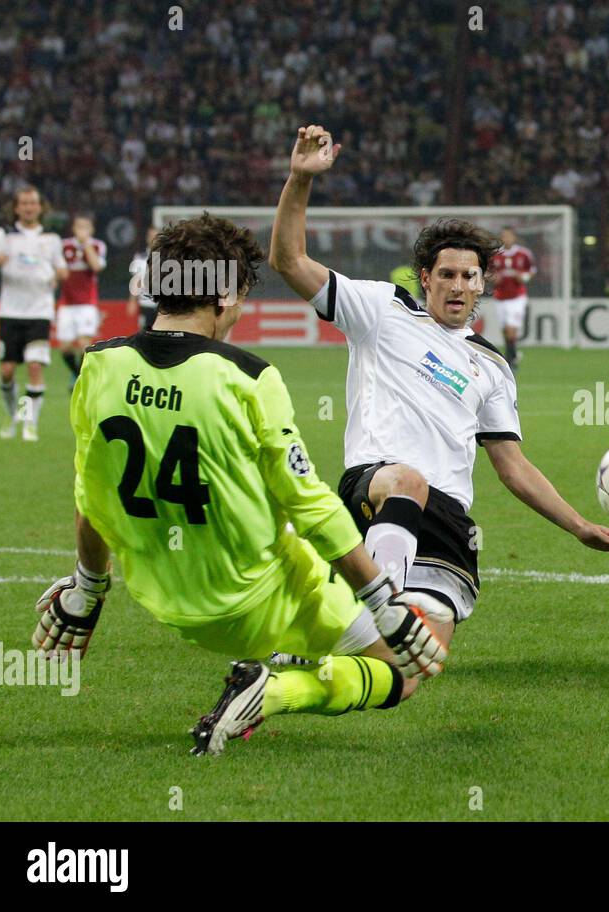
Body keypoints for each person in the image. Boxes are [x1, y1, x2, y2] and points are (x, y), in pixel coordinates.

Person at [34, 212, 451, 755]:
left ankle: (292, 656)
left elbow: (92, 495)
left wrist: (86, 594)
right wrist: (384, 600)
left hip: (167, 602)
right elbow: (311, 506)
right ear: (225, 295)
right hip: (260, 597)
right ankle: (273, 689)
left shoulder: (99, 366)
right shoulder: (249, 376)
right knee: (402, 673)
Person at [270, 125, 609, 651]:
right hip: (379, 486)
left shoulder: (491, 365)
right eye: (447, 274)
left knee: (412, 667)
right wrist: (299, 181)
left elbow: (512, 466)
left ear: (483, 283)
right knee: (407, 483)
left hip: (446, 518)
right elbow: (288, 261)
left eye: (470, 276)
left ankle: (285, 676)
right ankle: (375, 608)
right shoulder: (381, 310)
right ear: (426, 277)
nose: (459, 286)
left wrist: (579, 526)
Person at [0, 186, 67, 441]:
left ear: (40, 207)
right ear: (16, 208)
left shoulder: (51, 238)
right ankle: (11, 414)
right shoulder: (4, 235)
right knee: (7, 370)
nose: (29, 207)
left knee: (35, 366)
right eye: (24, 203)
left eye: (33, 203)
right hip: (10, 311)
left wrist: (59, 275)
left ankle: (29, 422)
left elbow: (62, 270)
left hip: (39, 312)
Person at [57, 214, 107, 389]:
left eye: (86, 227)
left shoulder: (97, 245)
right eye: (79, 226)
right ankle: (76, 372)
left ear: (91, 229)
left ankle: (80, 380)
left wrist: (85, 244)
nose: (82, 230)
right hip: (66, 303)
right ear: (73, 228)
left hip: (87, 303)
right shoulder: (64, 246)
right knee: (64, 347)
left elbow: (96, 266)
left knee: (84, 343)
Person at [489, 226, 536, 369]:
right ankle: (514, 355)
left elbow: (532, 270)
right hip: (500, 297)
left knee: (511, 330)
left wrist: (524, 277)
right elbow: (487, 273)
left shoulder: (523, 254)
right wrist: (493, 278)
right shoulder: (495, 255)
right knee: (505, 330)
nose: (507, 239)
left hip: (517, 297)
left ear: (514, 237)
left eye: (509, 236)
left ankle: (510, 361)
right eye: (504, 236)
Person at [127, 226, 159, 332]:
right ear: (147, 238)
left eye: (156, 236)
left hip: (163, 305)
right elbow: (136, 281)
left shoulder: (169, 257)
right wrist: (132, 301)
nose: (153, 239)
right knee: (144, 332)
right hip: (146, 303)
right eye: (151, 236)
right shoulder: (140, 257)